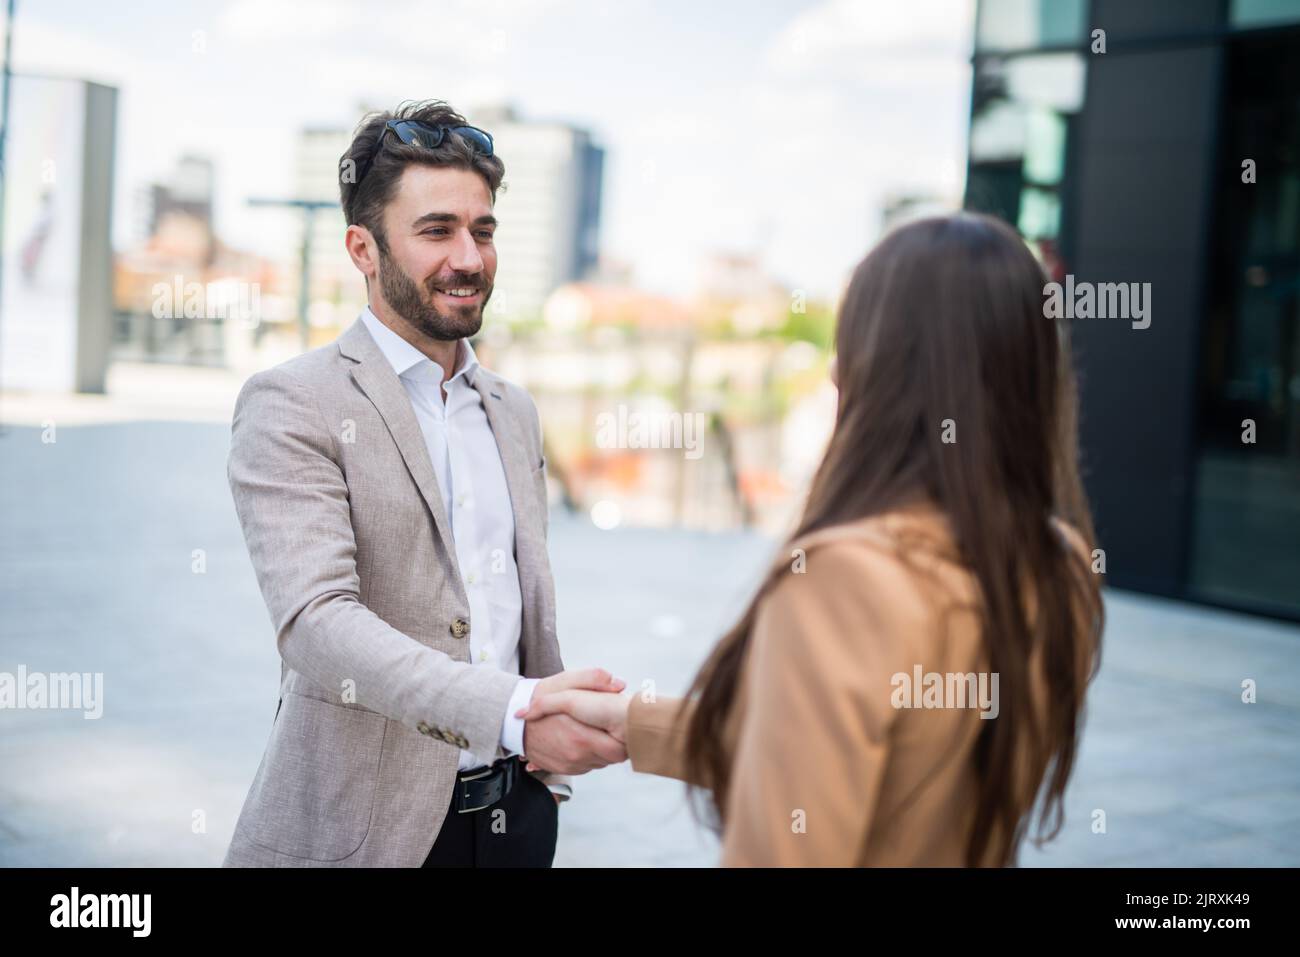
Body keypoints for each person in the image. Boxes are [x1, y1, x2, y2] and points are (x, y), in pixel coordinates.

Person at [518, 212, 1106, 867]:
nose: (832, 369)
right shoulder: (1061, 561)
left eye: (852, 337)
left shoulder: (847, 577)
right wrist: (637, 722)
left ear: (883, 366)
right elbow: (872, 754)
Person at [223, 100, 622, 868]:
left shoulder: (515, 411)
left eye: (483, 229)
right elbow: (315, 623)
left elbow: (506, 605)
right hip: (368, 833)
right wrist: (517, 710)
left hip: (517, 819)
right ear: (363, 249)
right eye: (437, 230)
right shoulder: (293, 402)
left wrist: (552, 721)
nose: (469, 258)